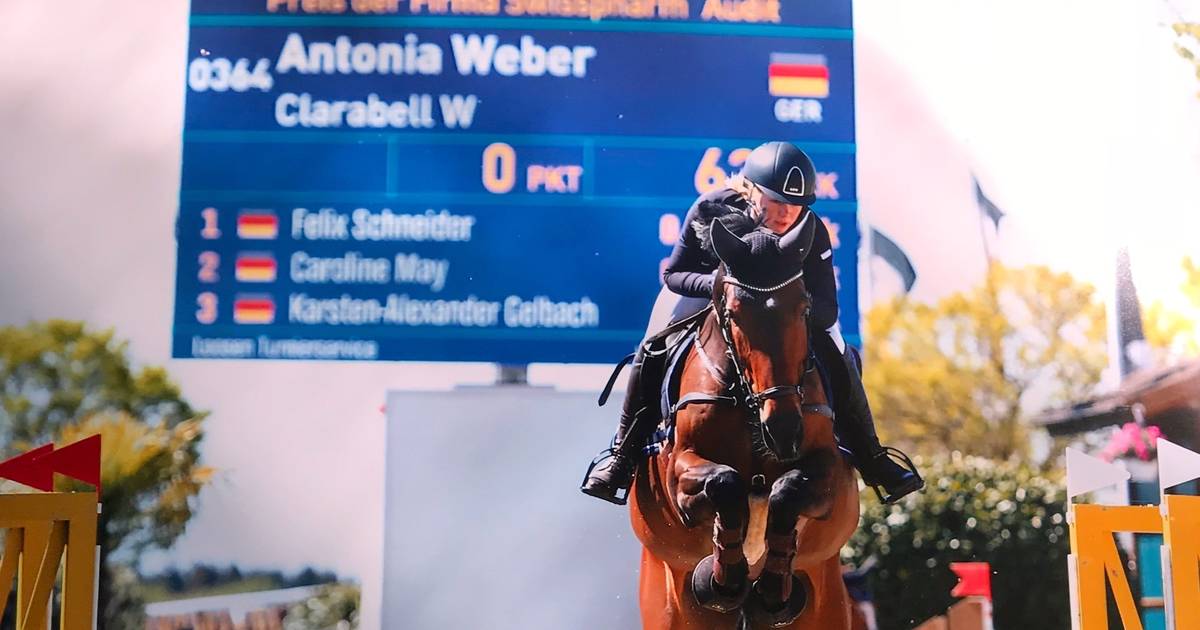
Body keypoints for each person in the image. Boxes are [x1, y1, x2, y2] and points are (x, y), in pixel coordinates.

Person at [580, 141, 924, 505]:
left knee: (841, 349)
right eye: (773, 204)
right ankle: (622, 454)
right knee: (653, 344)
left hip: (782, 310)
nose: (782, 215)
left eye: (792, 207)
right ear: (752, 190)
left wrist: (790, 307)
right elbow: (675, 274)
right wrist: (719, 287)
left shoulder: (812, 230)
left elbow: (828, 308)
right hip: (711, 295)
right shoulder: (712, 208)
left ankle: (873, 456)